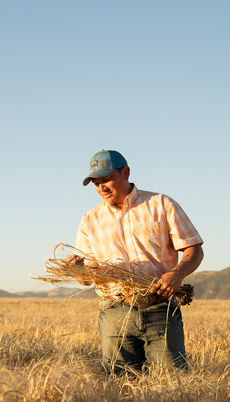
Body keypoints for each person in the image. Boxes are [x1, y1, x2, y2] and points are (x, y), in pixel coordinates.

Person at [67, 149, 204, 374]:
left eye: (106, 179)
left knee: (172, 381)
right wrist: (77, 271)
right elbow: (86, 280)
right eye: (96, 183)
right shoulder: (90, 219)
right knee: (120, 385)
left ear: (126, 173)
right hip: (114, 311)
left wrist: (177, 274)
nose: (101, 188)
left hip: (160, 307)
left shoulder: (161, 204)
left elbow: (194, 249)